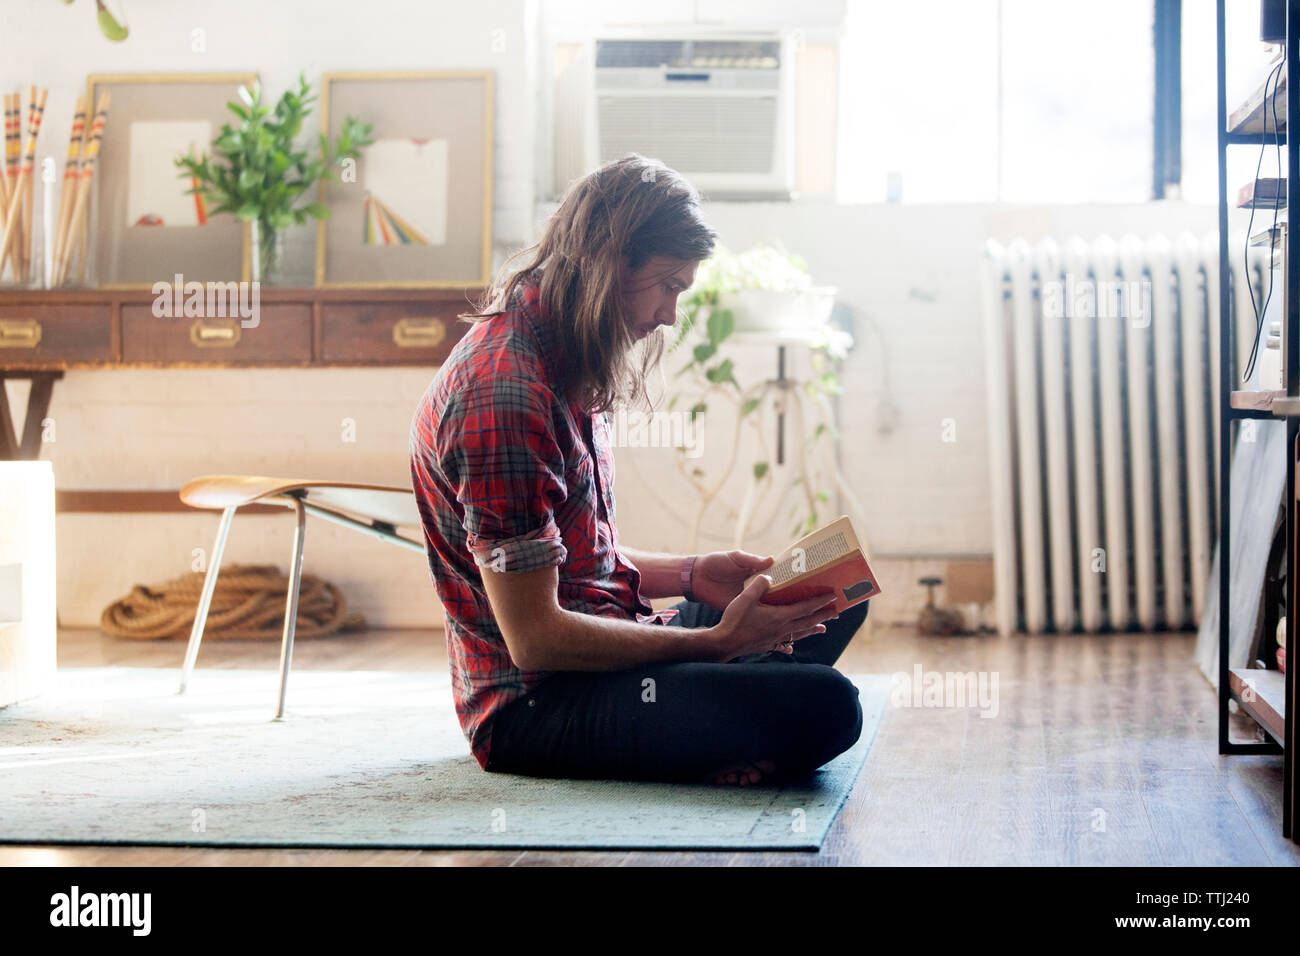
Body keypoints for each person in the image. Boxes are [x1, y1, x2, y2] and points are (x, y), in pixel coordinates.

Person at [408, 154, 868, 786]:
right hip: (542, 706)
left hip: (618, 647)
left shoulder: (566, 349)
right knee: (828, 705)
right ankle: (717, 724)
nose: (670, 315)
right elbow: (535, 638)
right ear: (608, 265)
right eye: (669, 286)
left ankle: (712, 731)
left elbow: (570, 556)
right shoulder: (504, 392)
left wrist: (691, 573)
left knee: (830, 599)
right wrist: (716, 645)